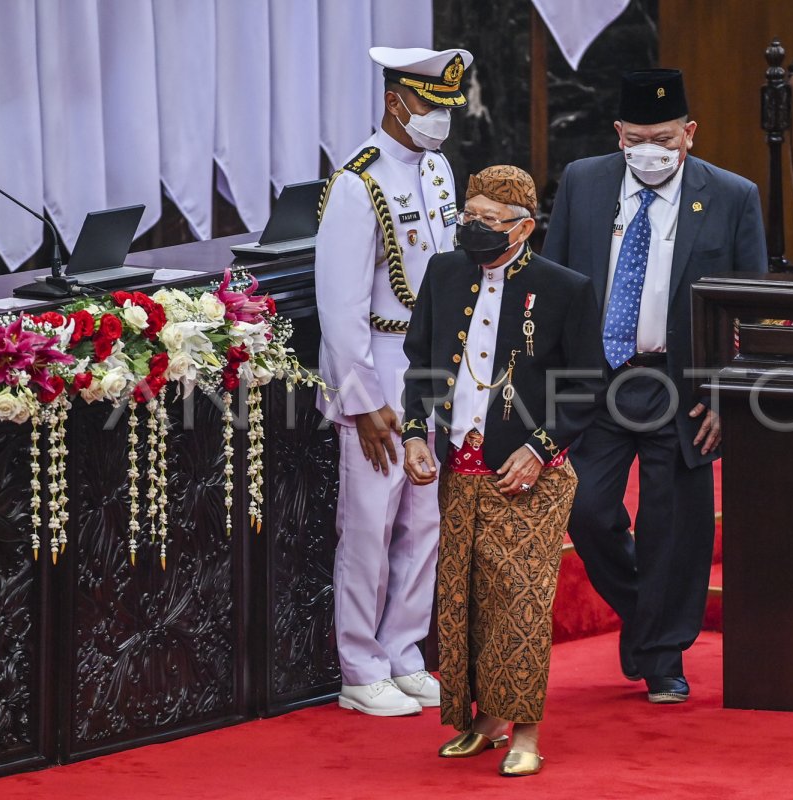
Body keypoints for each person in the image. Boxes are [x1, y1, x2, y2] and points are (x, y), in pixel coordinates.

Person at [542, 69, 766, 704]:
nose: (650, 149)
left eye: (664, 139)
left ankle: (664, 656)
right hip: (600, 380)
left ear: (689, 135)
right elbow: (554, 287)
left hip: (683, 384)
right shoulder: (584, 184)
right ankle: (650, 616)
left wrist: (728, 397)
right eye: (637, 137)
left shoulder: (731, 196)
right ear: (618, 133)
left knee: (674, 526)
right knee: (585, 511)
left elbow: (748, 310)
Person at [401, 165, 603, 776]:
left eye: (492, 220)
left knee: (518, 603)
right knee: (463, 601)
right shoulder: (443, 272)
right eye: (471, 216)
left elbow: (587, 387)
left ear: (525, 227)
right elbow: (420, 362)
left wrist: (540, 447)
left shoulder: (564, 287)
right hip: (460, 470)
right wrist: (415, 432)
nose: (477, 229)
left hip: (528, 478)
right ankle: (482, 720)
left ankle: (526, 731)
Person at [315, 45, 473, 717]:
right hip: (379, 368)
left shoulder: (437, 169)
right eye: (431, 106)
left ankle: (405, 651)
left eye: (447, 108)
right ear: (395, 100)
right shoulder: (357, 183)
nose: (440, 120)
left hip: (432, 371)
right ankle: (359, 664)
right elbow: (340, 307)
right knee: (370, 524)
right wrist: (366, 403)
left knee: (423, 521)